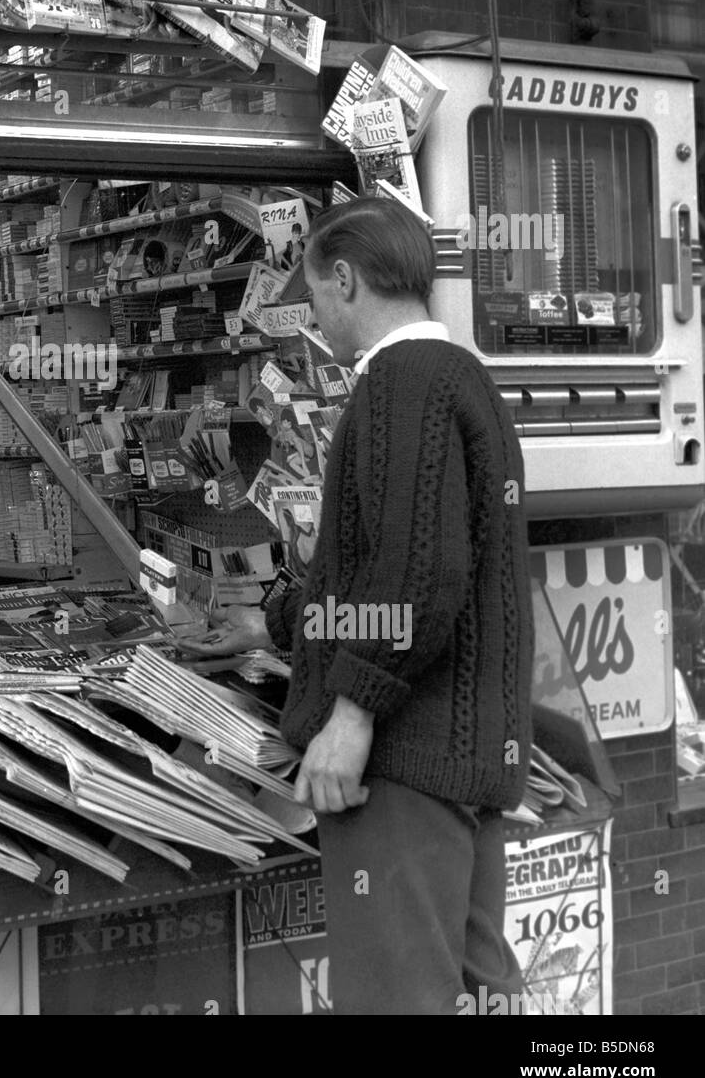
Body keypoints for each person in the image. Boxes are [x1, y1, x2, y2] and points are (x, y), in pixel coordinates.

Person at [190, 197, 534, 1015]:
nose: (316, 323)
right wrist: (276, 622)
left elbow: (415, 580)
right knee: (482, 995)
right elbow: (393, 568)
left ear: (343, 279)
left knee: (396, 1001)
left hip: (402, 769)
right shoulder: (464, 380)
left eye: (312, 299)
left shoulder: (396, 386)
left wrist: (351, 716)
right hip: (465, 759)